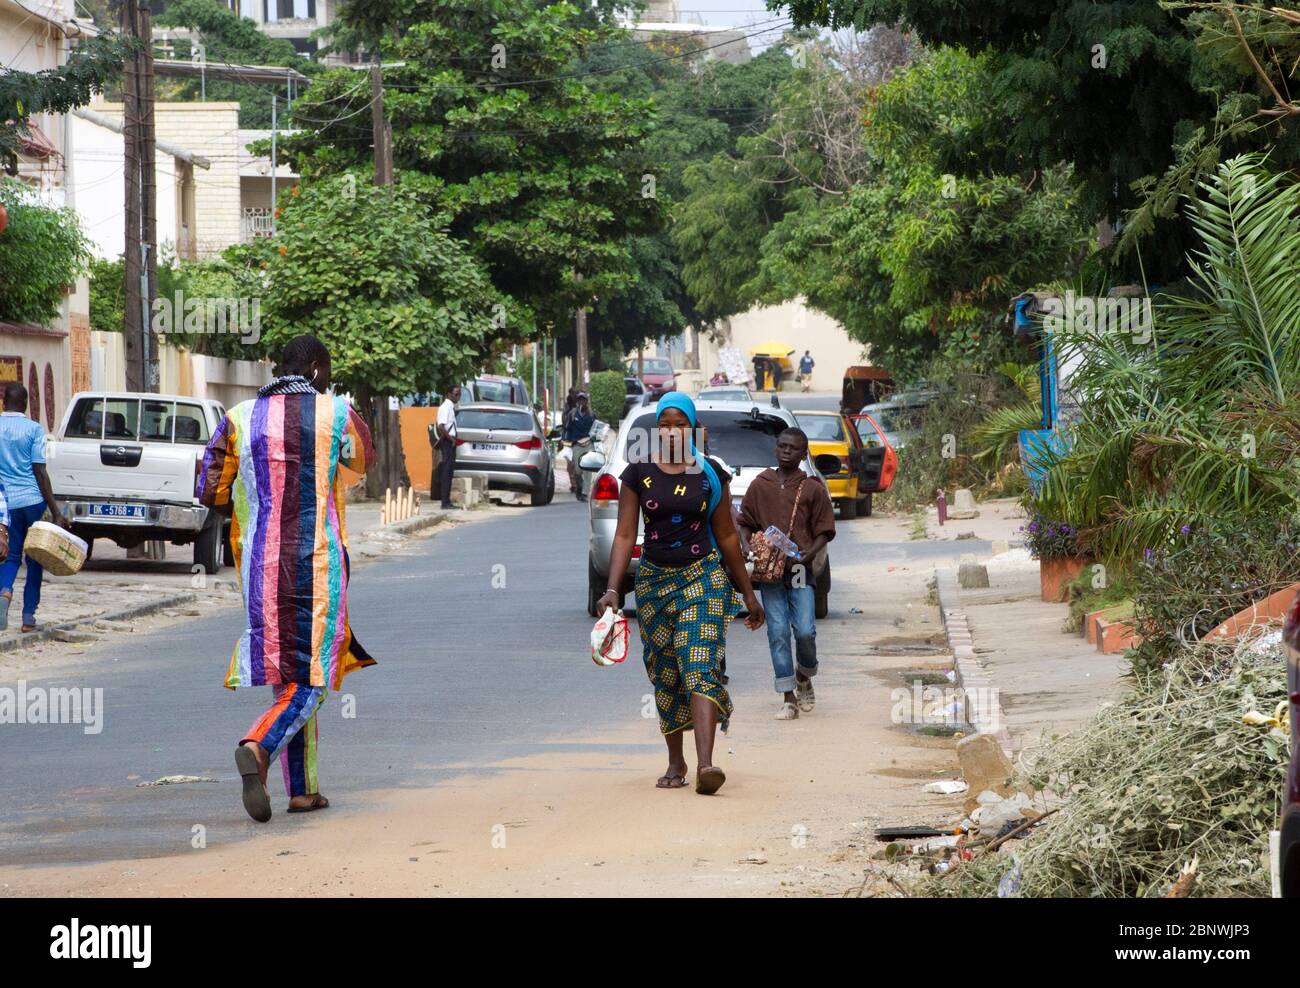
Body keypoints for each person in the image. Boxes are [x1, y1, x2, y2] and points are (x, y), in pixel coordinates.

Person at [199, 335, 375, 822]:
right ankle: (259, 745)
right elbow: (363, 459)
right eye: (329, 369)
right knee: (317, 671)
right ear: (317, 367)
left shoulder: (237, 419)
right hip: (318, 564)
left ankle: (303, 789)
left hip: (260, 567)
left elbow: (210, 489)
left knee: (289, 673)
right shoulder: (336, 411)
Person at [596, 392, 764, 795]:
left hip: (702, 577)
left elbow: (725, 535)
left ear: (692, 428)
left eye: (680, 423)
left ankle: (707, 765)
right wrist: (613, 589)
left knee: (699, 663)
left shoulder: (711, 473)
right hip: (654, 582)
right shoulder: (638, 474)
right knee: (665, 672)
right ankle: (676, 761)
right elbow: (623, 535)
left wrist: (748, 594)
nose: (672, 430)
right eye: (665, 423)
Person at [738, 427, 836, 720]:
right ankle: (788, 696)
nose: (786, 452)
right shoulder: (761, 484)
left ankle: (804, 674)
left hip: (798, 570)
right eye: (781, 446)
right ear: (775, 449)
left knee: (805, 630)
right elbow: (745, 521)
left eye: (793, 448)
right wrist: (745, 544)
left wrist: (811, 551)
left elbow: (825, 529)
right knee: (778, 631)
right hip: (770, 572)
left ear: (803, 454)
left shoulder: (813, 488)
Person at [0, 382, 71, 632]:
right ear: (26, 404)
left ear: (3, 402)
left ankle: (5, 591)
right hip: (32, 501)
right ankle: (28, 617)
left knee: (9, 555)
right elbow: (39, 470)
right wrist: (56, 510)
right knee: (34, 558)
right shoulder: (34, 430)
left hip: (5, 504)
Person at [563, 391, 595, 501]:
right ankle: (579, 488)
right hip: (576, 445)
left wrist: (597, 438)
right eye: (580, 400)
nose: (582, 402)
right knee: (577, 470)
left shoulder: (591, 414)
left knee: (588, 469)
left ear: (586, 401)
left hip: (588, 444)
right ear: (577, 401)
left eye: (583, 399)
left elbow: (596, 430)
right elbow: (567, 429)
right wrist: (565, 442)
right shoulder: (572, 414)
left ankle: (585, 493)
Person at [435, 384, 461, 509]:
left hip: (451, 441)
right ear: (449, 394)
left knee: (449, 472)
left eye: (459, 394)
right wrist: (452, 439)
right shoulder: (445, 407)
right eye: (456, 394)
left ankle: (447, 501)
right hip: (447, 442)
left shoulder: (451, 407)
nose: (458, 397)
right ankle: (444, 502)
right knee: (446, 472)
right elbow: (441, 426)